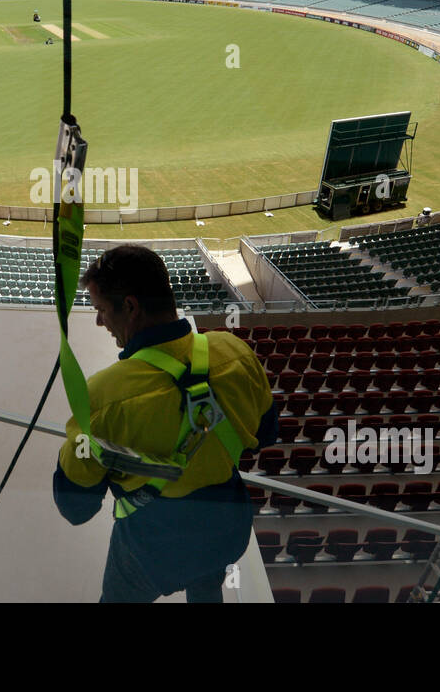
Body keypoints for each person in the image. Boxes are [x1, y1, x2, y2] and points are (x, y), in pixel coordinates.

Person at [53, 245, 278, 603]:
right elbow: (265, 434)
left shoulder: (101, 397)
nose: (99, 321)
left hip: (152, 552)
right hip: (223, 529)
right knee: (206, 586)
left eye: (100, 310)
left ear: (130, 307)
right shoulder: (235, 352)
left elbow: (76, 508)